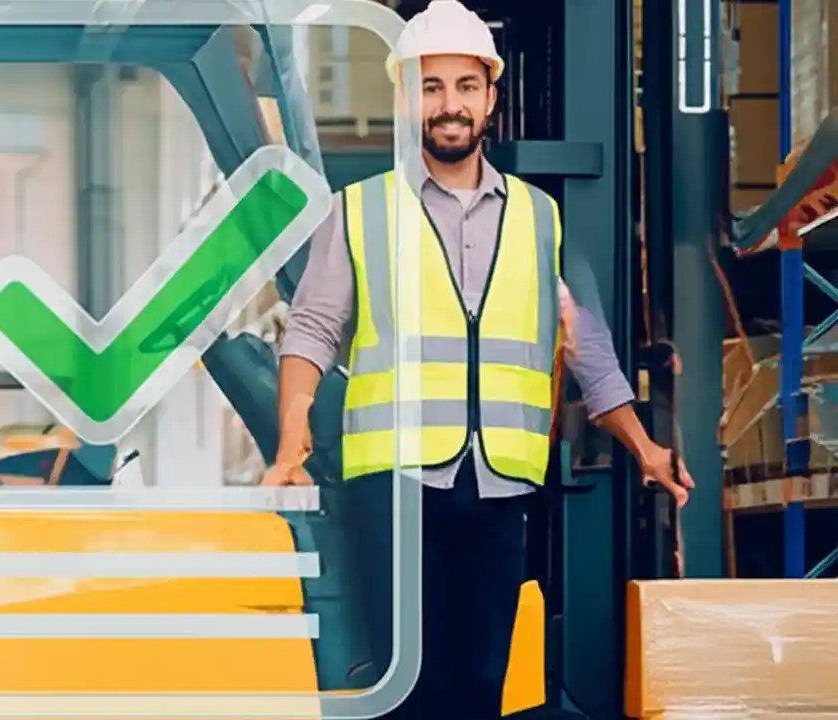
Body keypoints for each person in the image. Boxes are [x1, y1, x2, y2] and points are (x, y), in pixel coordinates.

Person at [262, 1, 696, 718]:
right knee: (402, 690)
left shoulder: (538, 216)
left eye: (465, 86)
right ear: (407, 99)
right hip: (395, 487)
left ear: (491, 97)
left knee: (478, 686)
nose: (449, 105)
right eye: (431, 87)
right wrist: (290, 437)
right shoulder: (360, 209)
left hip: (499, 486)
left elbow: (585, 347)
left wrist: (644, 445)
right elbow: (311, 328)